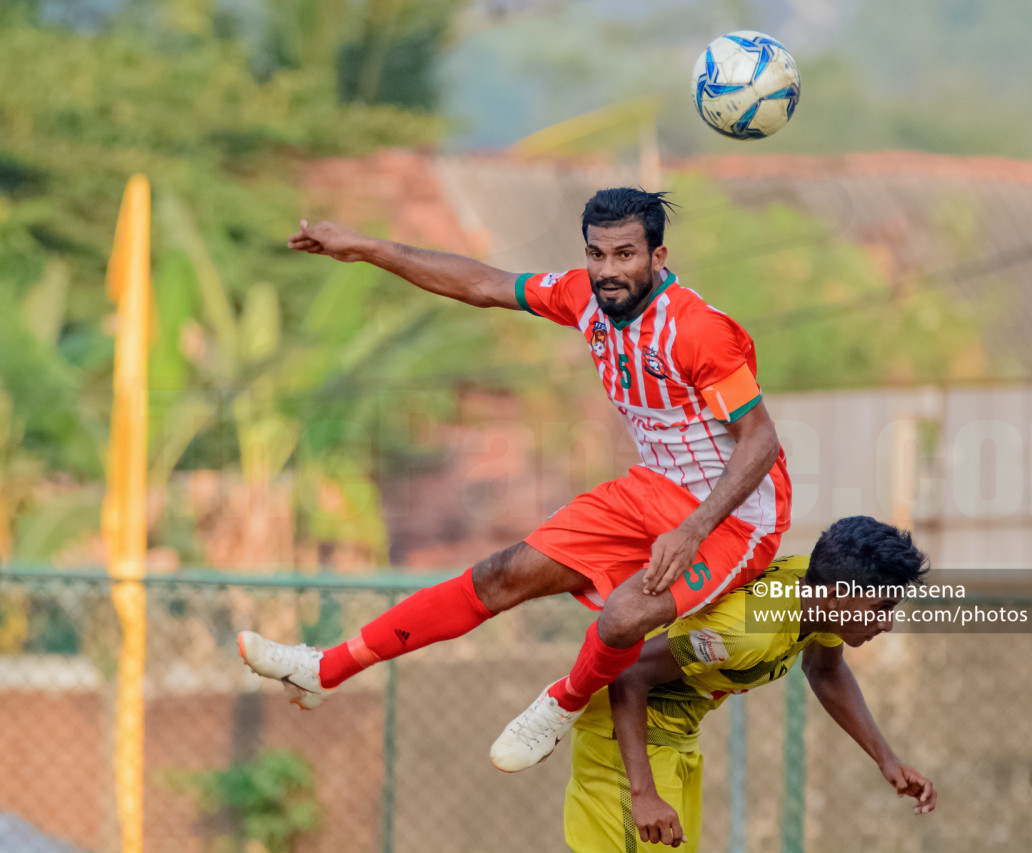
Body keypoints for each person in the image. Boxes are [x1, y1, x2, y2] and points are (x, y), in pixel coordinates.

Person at [238, 188, 791, 772]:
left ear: (658, 257)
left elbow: (762, 439)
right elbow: (481, 285)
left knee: (624, 617)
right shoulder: (584, 297)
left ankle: (562, 702)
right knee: (502, 574)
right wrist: (366, 247)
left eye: (625, 255)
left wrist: (693, 529)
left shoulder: (699, 331)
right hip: (652, 489)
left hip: (735, 516)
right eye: (596, 255)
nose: (608, 271)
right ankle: (325, 669)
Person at [564, 515, 936, 851]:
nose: (887, 623)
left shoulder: (817, 593)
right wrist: (642, 793)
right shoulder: (744, 632)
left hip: (676, 738)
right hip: (623, 743)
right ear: (836, 597)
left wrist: (886, 759)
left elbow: (826, 670)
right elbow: (629, 671)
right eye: (882, 607)